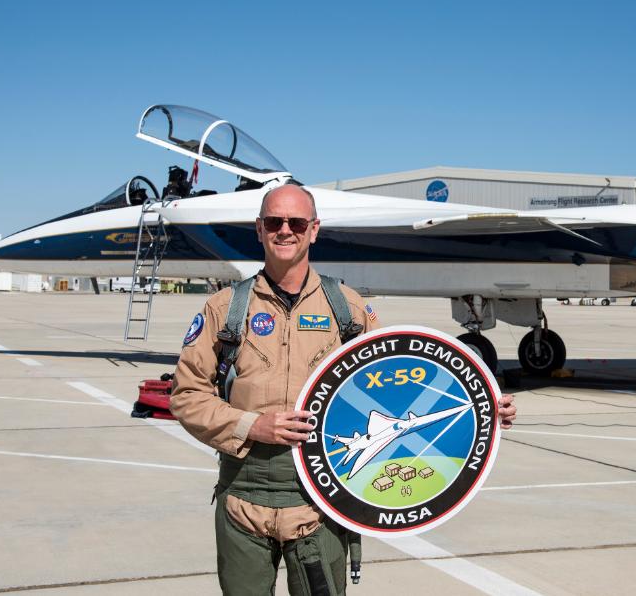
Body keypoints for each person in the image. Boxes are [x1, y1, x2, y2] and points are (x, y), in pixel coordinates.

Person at [171, 184, 517, 596]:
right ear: (259, 229)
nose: (286, 231)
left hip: (322, 498)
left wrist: (481, 407)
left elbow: (397, 388)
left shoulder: (348, 309)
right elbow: (187, 395)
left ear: (313, 230)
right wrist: (250, 425)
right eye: (275, 222)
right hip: (244, 494)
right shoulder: (225, 308)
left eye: (296, 222)